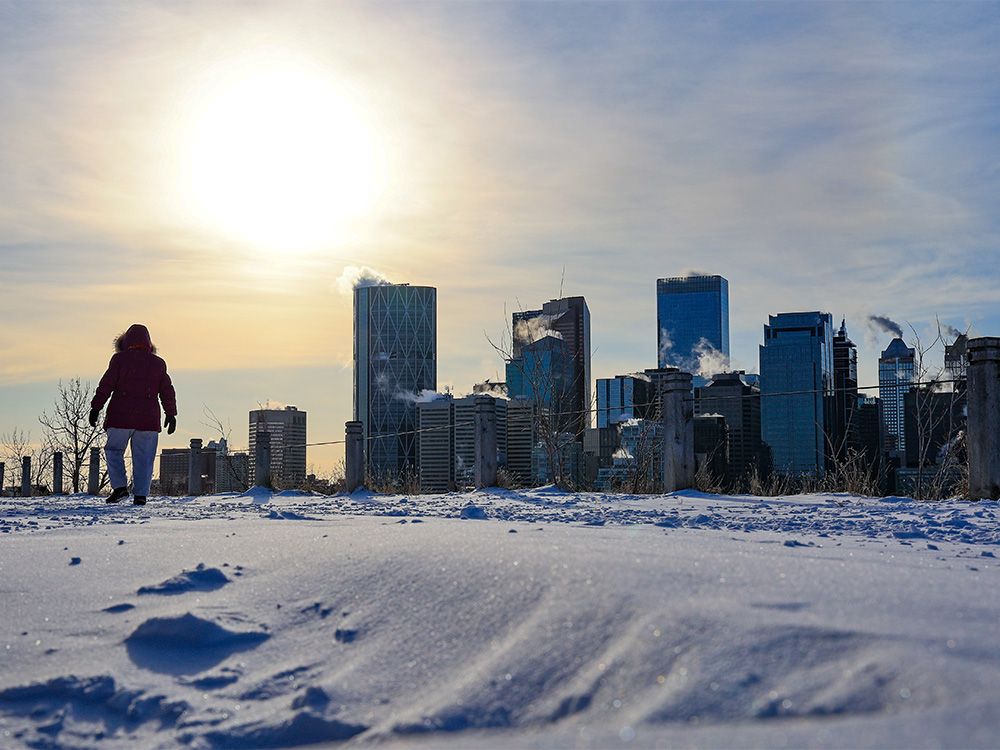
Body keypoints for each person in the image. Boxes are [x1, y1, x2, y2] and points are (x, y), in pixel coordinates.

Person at [89, 324, 177, 505]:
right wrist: (171, 413)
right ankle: (141, 495)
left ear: (125, 342)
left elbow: (106, 385)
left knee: (113, 451)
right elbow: (167, 390)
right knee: (144, 458)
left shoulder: (119, 360)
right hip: (148, 419)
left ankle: (120, 488)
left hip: (120, 417)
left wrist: (96, 407)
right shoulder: (158, 364)